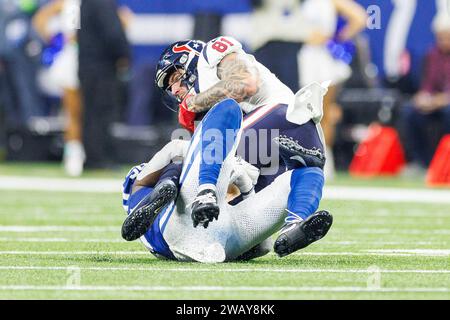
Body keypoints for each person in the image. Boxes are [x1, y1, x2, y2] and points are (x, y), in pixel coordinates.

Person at [124, 36, 332, 257]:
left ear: (189, 59)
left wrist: (196, 102)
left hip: (276, 114)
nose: (174, 90)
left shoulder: (211, 54)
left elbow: (246, 84)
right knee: (310, 172)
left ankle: (202, 190)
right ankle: (296, 223)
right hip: (298, 134)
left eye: (174, 78)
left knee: (207, 129)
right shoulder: (202, 107)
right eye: (169, 88)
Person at [121, 99, 331, 262]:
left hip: (212, 239)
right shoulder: (189, 155)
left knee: (311, 170)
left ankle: (294, 225)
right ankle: (201, 190)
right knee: (227, 108)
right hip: (184, 227)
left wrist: (242, 182)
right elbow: (175, 149)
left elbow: (263, 246)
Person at [33, 0, 85, 177]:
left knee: (87, 111)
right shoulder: (67, 2)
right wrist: (54, 39)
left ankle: (85, 151)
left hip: (90, 59)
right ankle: (73, 153)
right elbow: (40, 19)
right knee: (72, 111)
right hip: (71, 57)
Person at [77, 0, 130, 169]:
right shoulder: (102, 3)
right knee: (101, 113)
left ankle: (93, 157)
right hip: (101, 67)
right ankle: (99, 159)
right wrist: (124, 54)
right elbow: (113, 33)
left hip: (87, 65)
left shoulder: (85, 3)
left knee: (91, 114)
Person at [401, 12, 450, 169]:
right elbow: (427, 84)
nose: (443, 41)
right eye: (440, 37)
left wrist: (441, 100)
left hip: (445, 103)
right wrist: (423, 97)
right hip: (436, 102)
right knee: (410, 111)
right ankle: (422, 161)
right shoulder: (432, 54)